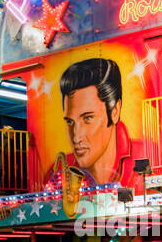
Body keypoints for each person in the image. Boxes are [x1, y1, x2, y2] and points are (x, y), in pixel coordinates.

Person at [43, 58, 146, 195]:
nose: (76, 137)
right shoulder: (58, 171)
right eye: (70, 121)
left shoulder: (143, 153)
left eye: (88, 118)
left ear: (115, 112)